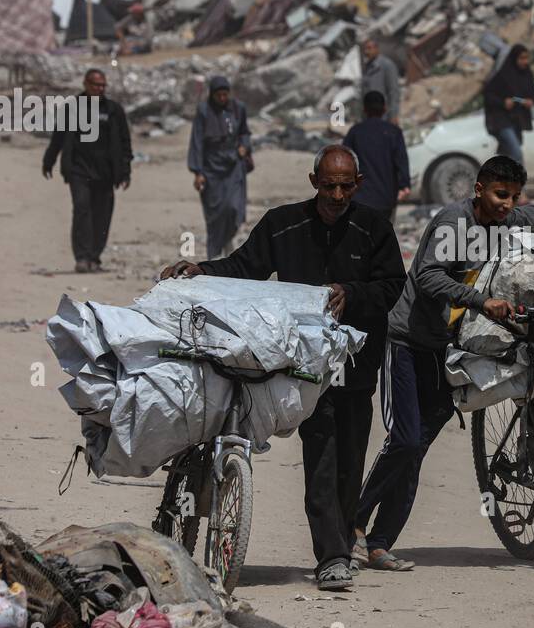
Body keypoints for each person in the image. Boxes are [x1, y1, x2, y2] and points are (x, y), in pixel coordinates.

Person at [352, 155, 534, 571]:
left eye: (513, 197)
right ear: (478, 189)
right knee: (405, 440)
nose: (506, 204)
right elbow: (427, 277)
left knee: (419, 444)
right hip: (406, 340)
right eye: (499, 195)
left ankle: (379, 540)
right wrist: (483, 301)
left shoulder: (512, 218)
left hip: (447, 346)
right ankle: (353, 522)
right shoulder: (452, 223)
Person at [159, 145, 405, 591]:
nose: (336, 195)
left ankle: (344, 538)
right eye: (328, 185)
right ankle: (330, 556)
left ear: (358, 185)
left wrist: (351, 292)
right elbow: (244, 266)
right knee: (321, 454)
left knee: (351, 459)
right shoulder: (283, 224)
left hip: (356, 366)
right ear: (314, 182)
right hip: (305, 369)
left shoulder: (374, 229)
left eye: (345, 186)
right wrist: (200, 270)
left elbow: (392, 287)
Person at [42, 68, 133, 273]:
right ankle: (82, 257)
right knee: (82, 210)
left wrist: (125, 171)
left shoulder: (113, 110)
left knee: (102, 215)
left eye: (102, 86)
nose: (99, 89)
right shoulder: (72, 108)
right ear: (85, 84)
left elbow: (125, 142)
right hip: (78, 170)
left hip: (106, 173)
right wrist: (49, 160)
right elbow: (58, 137)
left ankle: (95, 257)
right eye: (95, 85)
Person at [188, 75, 252, 260]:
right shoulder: (204, 111)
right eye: (219, 95)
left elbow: (245, 133)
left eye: (226, 95)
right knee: (216, 214)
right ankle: (215, 255)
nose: (223, 99)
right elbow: (197, 142)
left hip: (234, 168)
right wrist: (198, 172)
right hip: (211, 170)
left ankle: (228, 240)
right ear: (212, 95)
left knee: (233, 208)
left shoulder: (238, 109)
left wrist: (244, 146)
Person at [343, 90, 410, 221]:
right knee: (383, 237)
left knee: (361, 238)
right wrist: (404, 185)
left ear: (364, 109)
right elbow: (401, 161)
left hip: (359, 199)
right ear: (385, 109)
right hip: (386, 199)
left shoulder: (355, 132)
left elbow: (344, 161)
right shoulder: (394, 132)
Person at [482, 44, 534, 165]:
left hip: (517, 119)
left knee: (508, 155)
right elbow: (488, 95)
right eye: (521, 58)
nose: (525, 62)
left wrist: (530, 101)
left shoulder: (527, 74)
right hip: (501, 120)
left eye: (527, 58)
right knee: (516, 153)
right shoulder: (503, 75)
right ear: (514, 58)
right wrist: (503, 102)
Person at [360, 37, 402, 125]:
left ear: (376, 49)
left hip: (384, 115)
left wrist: (394, 115)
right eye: (365, 49)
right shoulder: (367, 67)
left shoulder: (387, 65)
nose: (367, 52)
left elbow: (393, 91)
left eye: (369, 48)